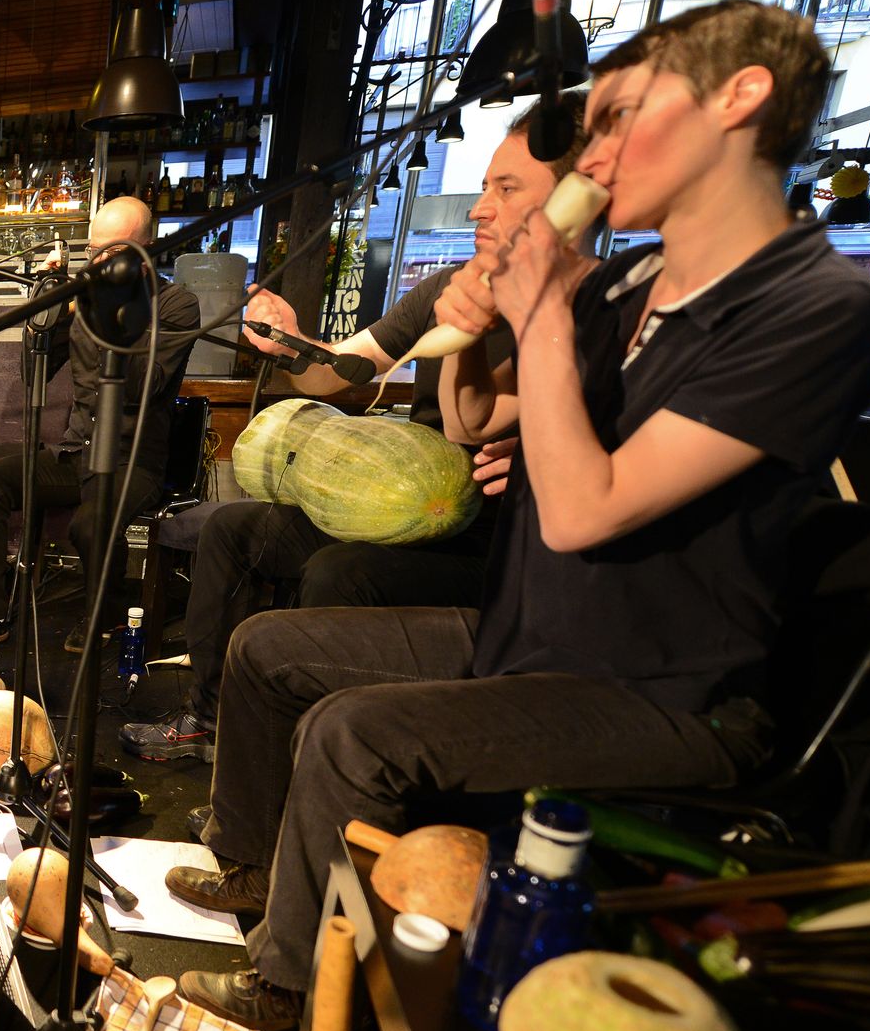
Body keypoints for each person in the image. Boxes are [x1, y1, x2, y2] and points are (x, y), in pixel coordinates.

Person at [170, 0, 870, 1031]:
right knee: (266, 647)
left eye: (617, 118)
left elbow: (589, 508)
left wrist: (542, 306)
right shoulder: (631, 281)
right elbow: (474, 423)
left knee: (348, 733)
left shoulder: (811, 307)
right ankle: (249, 868)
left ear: (740, 98)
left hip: (661, 689)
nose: (593, 156)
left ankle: (288, 990)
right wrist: (475, 326)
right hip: (529, 635)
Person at [119, 96, 589, 764]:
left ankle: (307, 756)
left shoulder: (592, 305)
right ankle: (215, 722)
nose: (479, 209)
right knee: (232, 531)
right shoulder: (446, 289)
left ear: (574, 201)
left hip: (490, 543)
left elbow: (484, 421)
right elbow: (338, 374)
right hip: (394, 510)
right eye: (484, 186)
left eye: (506, 189)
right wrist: (292, 346)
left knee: (339, 572)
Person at [0, 195, 204, 659]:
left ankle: (103, 615)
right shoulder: (84, 299)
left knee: (90, 523)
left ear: (147, 249)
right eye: (94, 250)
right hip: (76, 451)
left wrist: (109, 314)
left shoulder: (177, 305)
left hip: (133, 460)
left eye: (113, 251)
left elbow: (146, 386)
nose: (99, 262)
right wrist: (46, 306)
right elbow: (33, 370)